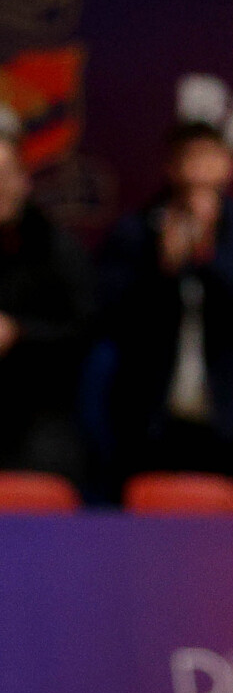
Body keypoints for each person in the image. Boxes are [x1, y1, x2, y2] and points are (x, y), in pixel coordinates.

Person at [99, 120, 233, 497]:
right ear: (171, 167)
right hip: (147, 419)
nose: (199, 170)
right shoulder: (136, 231)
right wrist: (163, 269)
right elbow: (110, 315)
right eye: (189, 159)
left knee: (227, 539)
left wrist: (208, 259)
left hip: (232, 419)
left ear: (228, 165)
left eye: (209, 158)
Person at [0, 121, 93, 489]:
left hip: (40, 422)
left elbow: (83, 332)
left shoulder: (58, 250)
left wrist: (18, 332)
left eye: (5, 175)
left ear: (24, 180)